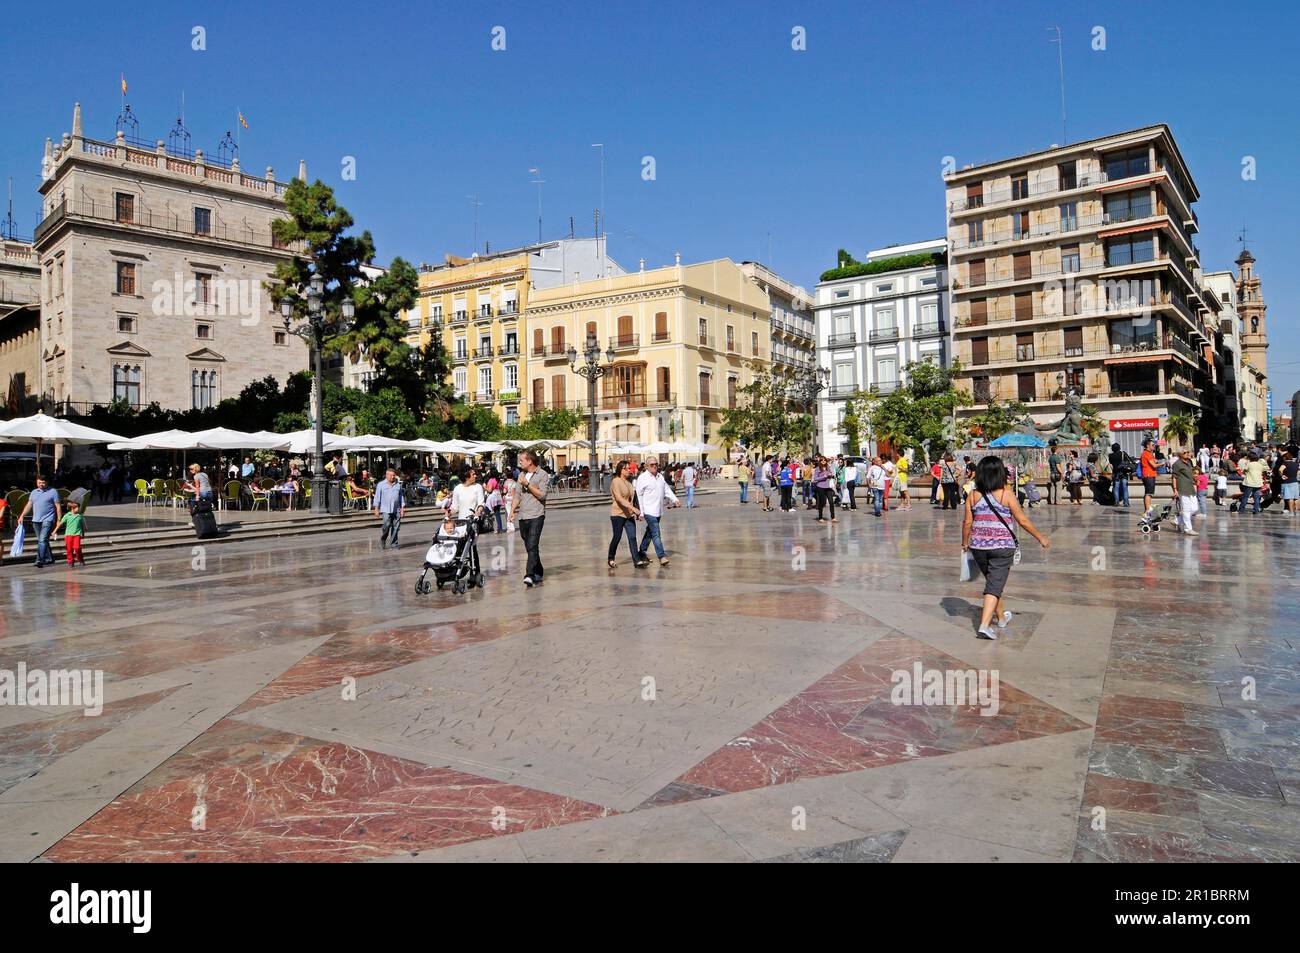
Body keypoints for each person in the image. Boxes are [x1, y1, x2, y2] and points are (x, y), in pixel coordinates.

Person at [961, 455, 1050, 640]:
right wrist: (1040, 537)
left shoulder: (973, 495)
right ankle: (984, 625)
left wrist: (965, 542)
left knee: (994, 582)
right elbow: (1023, 520)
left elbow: (967, 522)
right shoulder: (1006, 493)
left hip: (978, 547)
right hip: (1002, 547)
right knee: (994, 585)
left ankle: (1001, 618)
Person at [634, 457, 679, 566]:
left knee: (650, 533)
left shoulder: (660, 476)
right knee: (656, 533)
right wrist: (641, 512)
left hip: (658, 510)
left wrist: (675, 499)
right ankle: (661, 556)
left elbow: (666, 489)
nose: (654, 466)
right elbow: (638, 496)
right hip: (648, 510)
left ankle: (642, 552)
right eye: (652, 465)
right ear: (646, 466)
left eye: (656, 464)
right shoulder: (642, 478)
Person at [516, 449, 550, 587]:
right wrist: (512, 511)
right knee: (530, 547)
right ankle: (539, 570)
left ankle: (529, 574)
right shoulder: (521, 475)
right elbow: (517, 495)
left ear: (529, 461)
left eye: (521, 460)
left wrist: (528, 485)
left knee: (532, 544)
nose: (519, 462)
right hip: (523, 515)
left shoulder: (542, 474)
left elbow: (542, 495)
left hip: (537, 514)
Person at [18, 475, 62, 568]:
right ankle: (50, 558)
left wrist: (59, 520)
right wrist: (21, 515)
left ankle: (39, 560)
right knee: (42, 540)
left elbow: (58, 506)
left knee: (42, 540)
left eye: (43, 482)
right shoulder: (34, 492)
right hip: (36, 520)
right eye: (39, 483)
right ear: (36, 482)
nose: (41, 484)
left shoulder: (53, 491)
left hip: (48, 519)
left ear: (47, 482)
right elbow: (29, 505)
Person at [607, 459, 643, 568]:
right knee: (617, 537)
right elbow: (619, 499)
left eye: (629, 468)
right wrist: (633, 508)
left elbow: (631, 498)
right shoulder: (615, 481)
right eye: (627, 469)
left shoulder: (628, 482)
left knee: (632, 537)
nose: (629, 471)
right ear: (621, 469)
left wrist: (635, 511)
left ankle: (637, 561)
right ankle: (611, 558)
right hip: (618, 513)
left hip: (628, 514)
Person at [372, 468, 407, 549]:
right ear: (387, 475)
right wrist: (376, 509)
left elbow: (401, 497)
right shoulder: (381, 485)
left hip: (396, 509)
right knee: (386, 525)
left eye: (394, 475)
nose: (393, 477)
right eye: (391, 475)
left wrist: (402, 508)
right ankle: (383, 539)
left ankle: (394, 543)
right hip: (385, 509)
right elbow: (377, 497)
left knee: (396, 527)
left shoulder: (398, 485)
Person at [1170, 448, 1198, 536]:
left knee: (1194, 508)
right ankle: (1188, 529)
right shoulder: (1177, 464)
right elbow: (1174, 477)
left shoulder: (1189, 462)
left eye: (1188, 452)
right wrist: (1175, 489)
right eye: (1185, 452)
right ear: (1180, 454)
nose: (1187, 453)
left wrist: (1195, 478)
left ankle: (1177, 520)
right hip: (1182, 488)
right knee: (1186, 509)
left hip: (1190, 487)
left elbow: (1191, 473)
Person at [54, 499, 87, 566]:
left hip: (77, 535)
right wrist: (54, 531)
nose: (78, 509)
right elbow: (60, 524)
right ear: (72, 508)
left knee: (77, 548)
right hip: (68, 535)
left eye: (78, 507)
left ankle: (80, 559)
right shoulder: (67, 515)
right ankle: (70, 561)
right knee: (69, 549)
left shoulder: (79, 516)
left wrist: (83, 533)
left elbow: (81, 525)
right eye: (77, 507)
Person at [1237, 449, 1267, 516]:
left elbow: (1244, 471)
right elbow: (1265, 470)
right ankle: (1256, 510)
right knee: (1256, 498)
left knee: (1245, 497)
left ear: (1250, 458)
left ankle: (1241, 510)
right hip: (1258, 483)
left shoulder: (1249, 464)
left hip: (1249, 483)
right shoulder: (1260, 464)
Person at [813, 456, 837, 523]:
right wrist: (824, 477)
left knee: (831, 502)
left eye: (824, 460)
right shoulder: (818, 468)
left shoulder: (828, 467)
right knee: (822, 502)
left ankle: (833, 517)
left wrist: (831, 475)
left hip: (828, 487)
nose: (823, 461)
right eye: (822, 460)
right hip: (820, 487)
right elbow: (815, 478)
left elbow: (831, 474)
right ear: (820, 461)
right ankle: (820, 517)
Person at [1139, 438, 1160, 515]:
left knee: (1148, 493)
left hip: (1148, 474)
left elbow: (1153, 462)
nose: (1154, 446)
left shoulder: (1147, 453)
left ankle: (1147, 510)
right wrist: (1162, 463)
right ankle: (1147, 511)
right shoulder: (1147, 453)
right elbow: (1154, 465)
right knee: (1148, 493)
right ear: (1148, 445)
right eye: (1152, 445)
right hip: (1149, 475)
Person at [1280, 448, 1299, 517]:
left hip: (1287, 482)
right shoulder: (1296, 464)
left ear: (1285, 457)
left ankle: (1291, 512)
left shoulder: (1285, 463)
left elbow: (1280, 470)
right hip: (1295, 482)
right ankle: (1296, 512)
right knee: (1296, 498)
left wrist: (1282, 475)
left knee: (1290, 498)